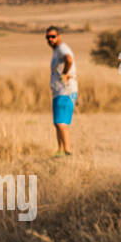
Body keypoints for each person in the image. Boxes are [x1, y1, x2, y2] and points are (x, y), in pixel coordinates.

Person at [46, 26, 77, 156]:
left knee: (61, 123)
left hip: (65, 90)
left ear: (59, 36)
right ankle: (60, 150)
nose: (50, 39)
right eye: (48, 37)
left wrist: (65, 73)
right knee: (57, 123)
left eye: (53, 36)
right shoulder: (57, 50)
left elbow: (69, 59)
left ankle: (67, 150)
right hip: (59, 91)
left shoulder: (62, 49)